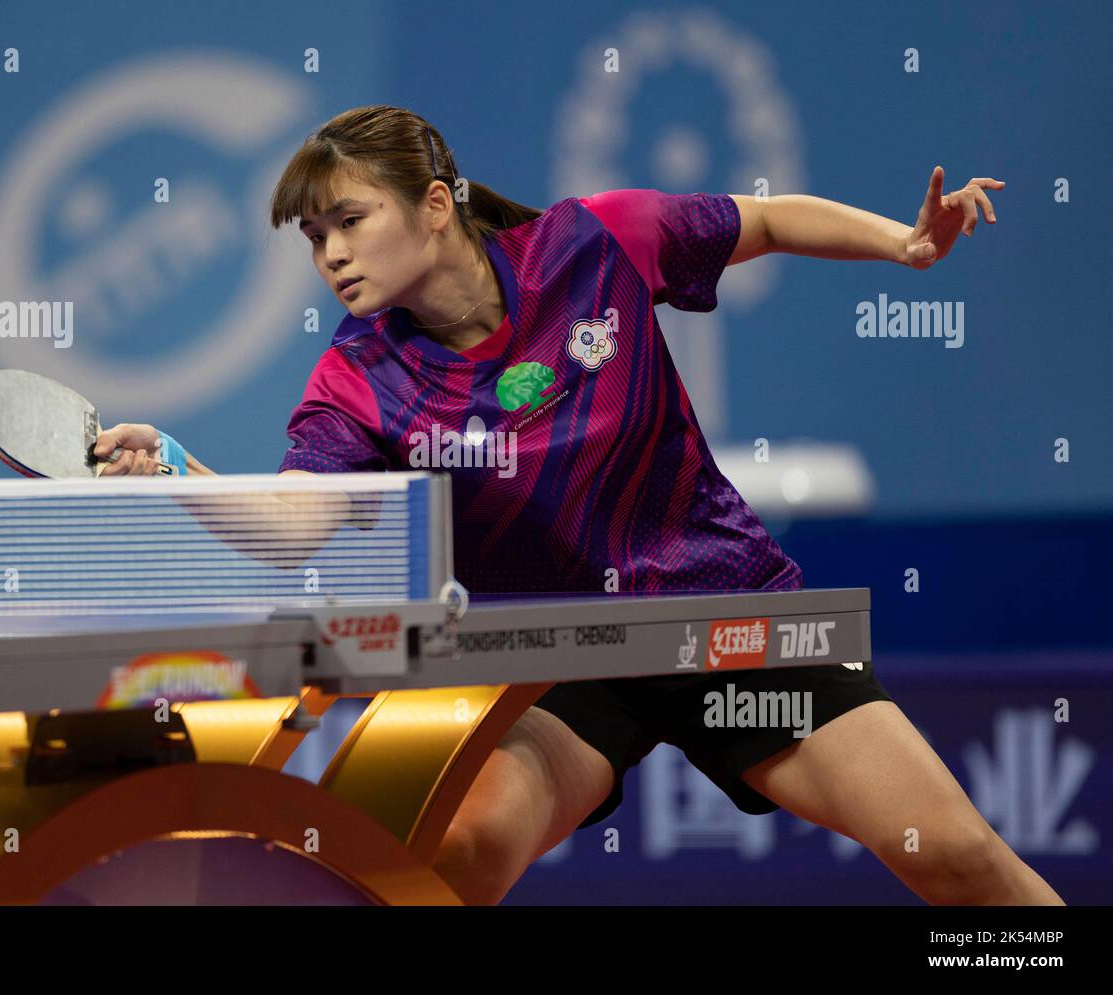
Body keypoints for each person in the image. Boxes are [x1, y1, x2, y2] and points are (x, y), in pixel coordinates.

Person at [95, 105, 1062, 907]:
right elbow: (296, 521)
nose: (332, 256)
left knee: (955, 857)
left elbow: (759, 221)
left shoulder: (592, 242)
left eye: (350, 220)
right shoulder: (359, 379)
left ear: (435, 207)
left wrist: (902, 243)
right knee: (455, 856)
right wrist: (184, 475)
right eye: (315, 238)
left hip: (723, 615)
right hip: (560, 664)